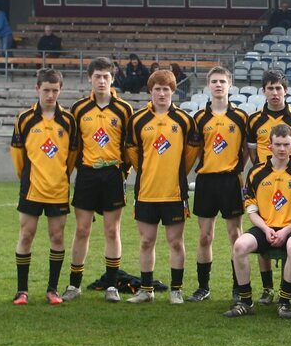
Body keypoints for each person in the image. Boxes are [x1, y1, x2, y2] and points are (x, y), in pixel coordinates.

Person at [123, 69, 200, 304]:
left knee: (176, 242)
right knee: (147, 241)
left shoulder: (184, 120)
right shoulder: (137, 120)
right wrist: (148, 170)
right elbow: (132, 152)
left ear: (173, 92)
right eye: (157, 89)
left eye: (166, 89)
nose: (162, 93)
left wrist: (175, 173)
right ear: (150, 91)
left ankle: (176, 290)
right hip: (146, 191)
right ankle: (146, 290)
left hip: (174, 192)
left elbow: (191, 153)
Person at [61, 58, 134, 303]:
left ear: (112, 79)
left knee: (112, 230)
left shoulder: (124, 109)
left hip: (113, 174)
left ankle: (112, 286)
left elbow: (129, 146)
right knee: (82, 230)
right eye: (97, 76)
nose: (101, 80)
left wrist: (123, 170)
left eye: (106, 76)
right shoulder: (79, 108)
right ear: (89, 79)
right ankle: (74, 284)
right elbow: (74, 145)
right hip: (87, 174)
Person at [223, 124, 291, 318]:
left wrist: (285, 231)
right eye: (277, 144)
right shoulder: (255, 173)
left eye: (286, 144)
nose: (281, 149)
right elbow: (251, 210)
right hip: (264, 227)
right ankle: (245, 302)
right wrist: (266, 228)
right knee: (239, 246)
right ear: (269, 145)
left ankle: (284, 302)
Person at [10, 68, 79, 305]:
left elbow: (71, 158)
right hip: (31, 189)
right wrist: (29, 177)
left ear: (60, 90)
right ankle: (21, 291)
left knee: (57, 237)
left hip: (58, 189)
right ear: (37, 89)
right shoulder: (24, 119)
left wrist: (60, 176)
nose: (51, 95)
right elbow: (18, 157)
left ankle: (52, 290)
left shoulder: (68, 121)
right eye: (46, 90)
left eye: (55, 90)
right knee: (26, 235)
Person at [246, 70, 291, 303]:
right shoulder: (254, 120)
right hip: (264, 181)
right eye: (270, 88)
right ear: (263, 91)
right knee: (264, 235)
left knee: (290, 238)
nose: (274, 92)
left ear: (286, 90)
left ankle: (287, 290)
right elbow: (252, 151)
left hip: (290, 181)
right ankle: (267, 287)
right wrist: (261, 172)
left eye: (278, 88)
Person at [189, 66, 249, 303]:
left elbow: (246, 148)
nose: (218, 85)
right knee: (205, 236)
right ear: (208, 85)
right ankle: (203, 287)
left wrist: (236, 167)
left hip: (230, 181)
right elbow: (194, 150)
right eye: (214, 81)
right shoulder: (199, 118)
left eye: (222, 81)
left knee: (236, 235)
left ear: (230, 85)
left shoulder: (240, 117)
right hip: (206, 180)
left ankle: (238, 286)